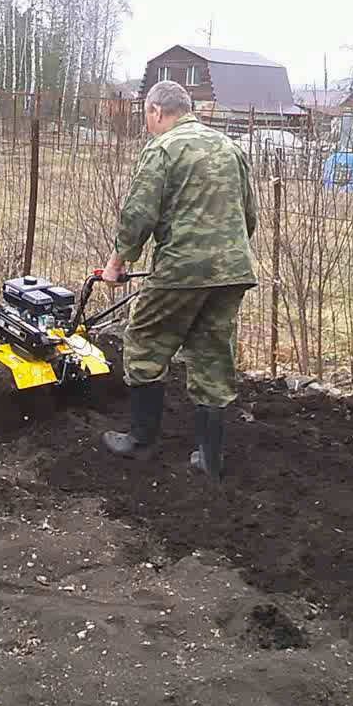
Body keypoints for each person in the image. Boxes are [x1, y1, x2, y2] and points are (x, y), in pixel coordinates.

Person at [98, 80, 258, 480]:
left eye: (147, 117)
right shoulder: (230, 147)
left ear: (156, 111)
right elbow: (249, 215)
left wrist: (117, 262)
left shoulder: (163, 148)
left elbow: (138, 215)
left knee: (144, 341)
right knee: (211, 355)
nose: (148, 124)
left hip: (182, 270)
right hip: (233, 271)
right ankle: (210, 459)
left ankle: (140, 442)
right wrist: (222, 258)